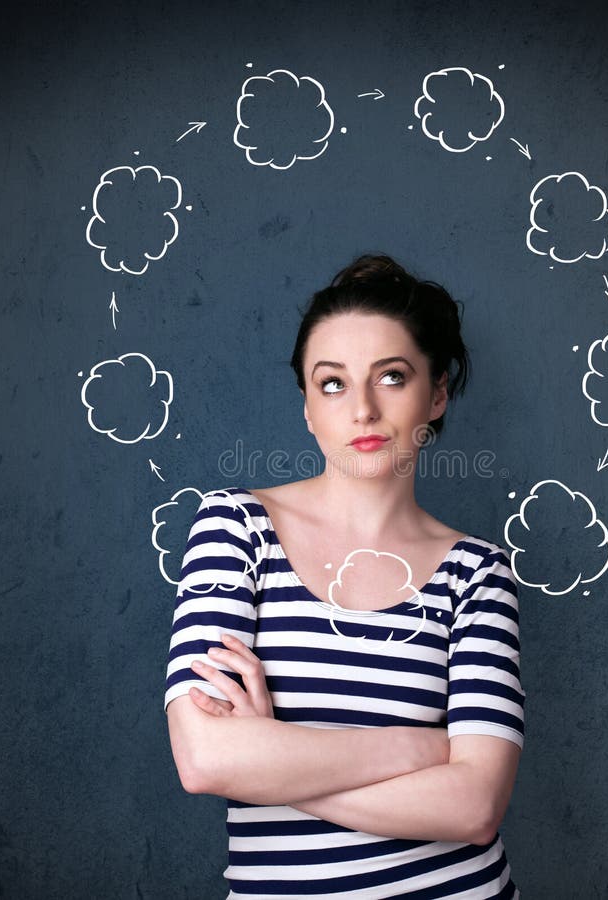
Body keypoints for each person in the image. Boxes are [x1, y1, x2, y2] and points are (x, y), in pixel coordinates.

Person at [164, 254, 526, 899]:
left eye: (391, 376)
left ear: (437, 393)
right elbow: (206, 760)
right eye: (332, 382)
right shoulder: (234, 526)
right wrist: (421, 750)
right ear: (306, 404)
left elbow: (473, 808)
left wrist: (274, 756)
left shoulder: (479, 572)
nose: (361, 408)